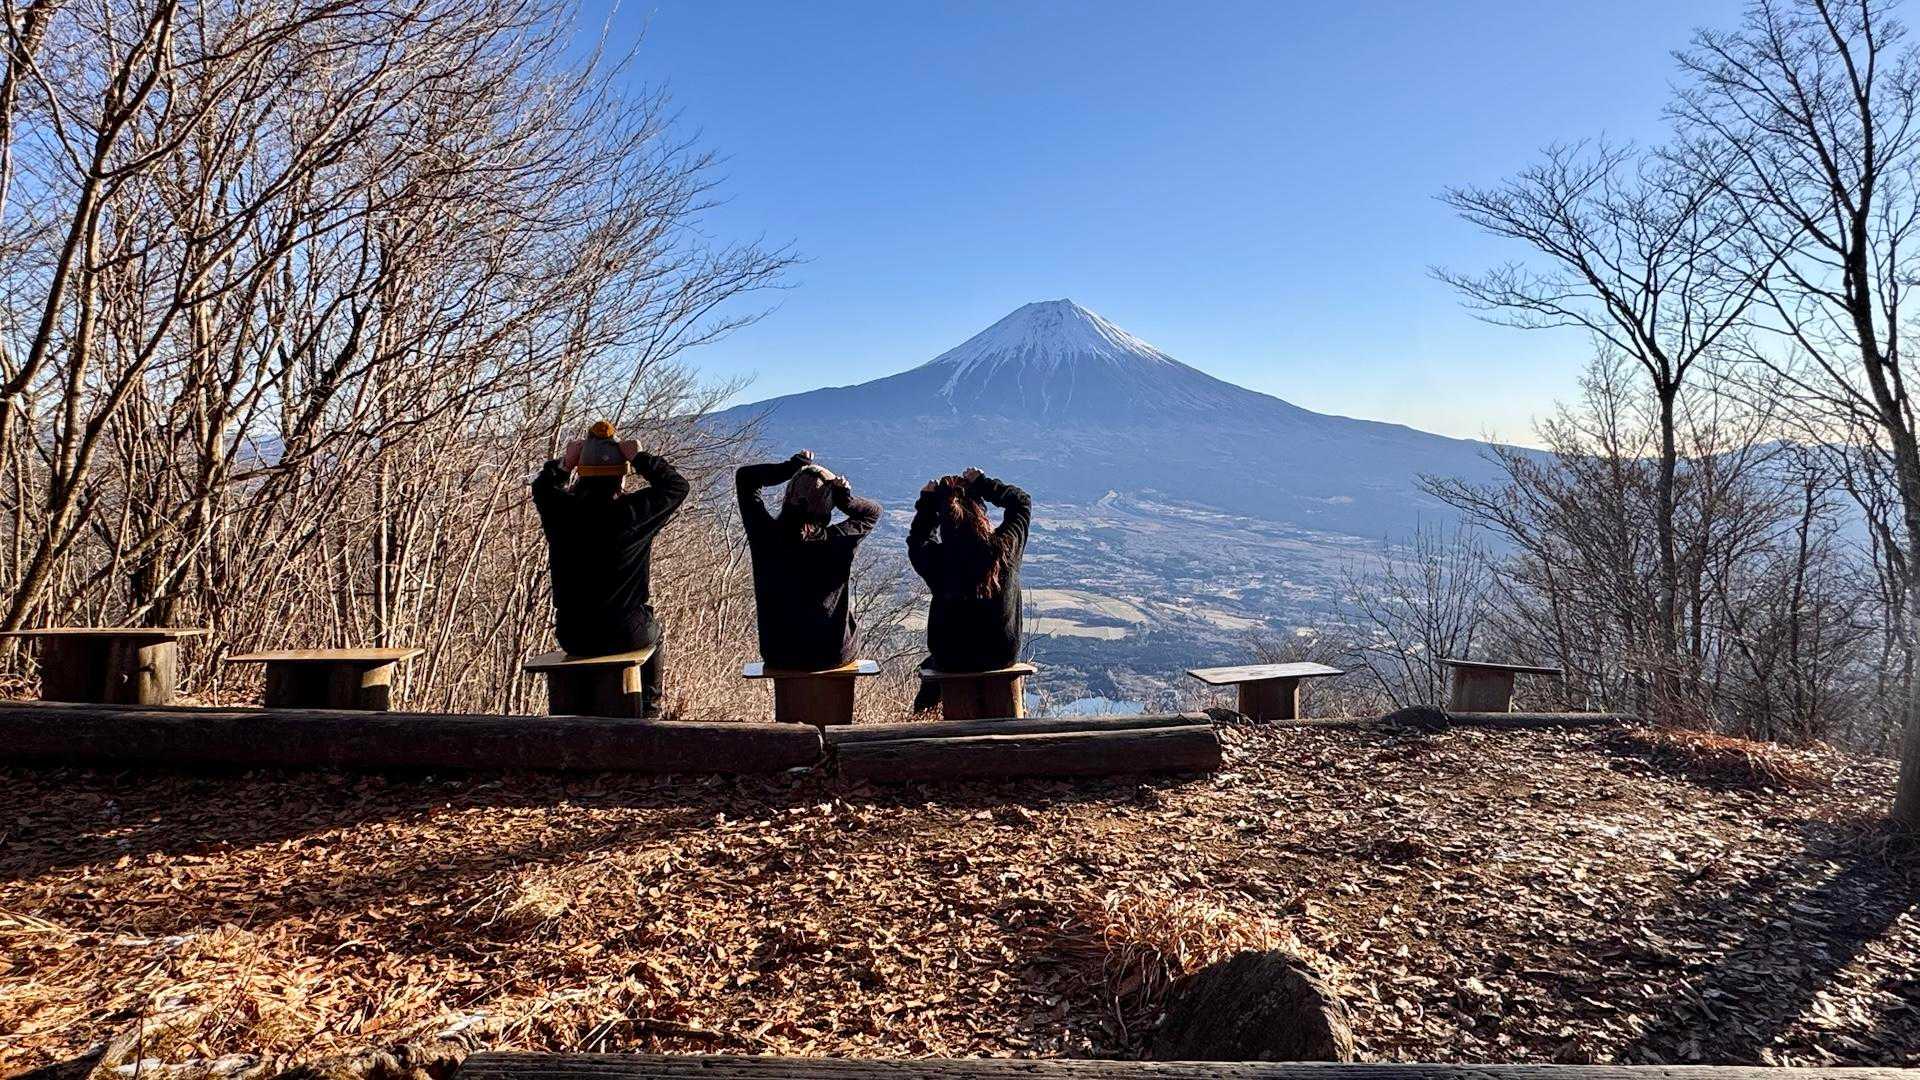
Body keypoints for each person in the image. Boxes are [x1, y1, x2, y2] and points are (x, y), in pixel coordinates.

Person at [530, 420, 688, 717]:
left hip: (574, 634)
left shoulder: (560, 510)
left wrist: (564, 463)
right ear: (621, 478)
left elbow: (542, 487)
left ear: (581, 473)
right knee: (656, 632)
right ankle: (649, 709)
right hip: (627, 631)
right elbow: (677, 486)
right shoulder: (633, 513)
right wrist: (641, 458)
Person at [736, 450, 882, 670]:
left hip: (779, 653)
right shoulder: (838, 541)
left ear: (788, 496)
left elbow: (745, 477)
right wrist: (846, 500)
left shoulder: (764, 534)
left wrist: (792, 466)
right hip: (832, 654)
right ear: (827, 506)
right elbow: (873, 512)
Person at [906, 467, 1031, 711]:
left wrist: (928, 503)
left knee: (930, 670)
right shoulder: (1006, 549)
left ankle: (922, 714)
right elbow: (1021, 503)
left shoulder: (939, 560)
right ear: (982, 514)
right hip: (1001, 654)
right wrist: (984, 483)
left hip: (952, 658)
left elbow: (918, 539)